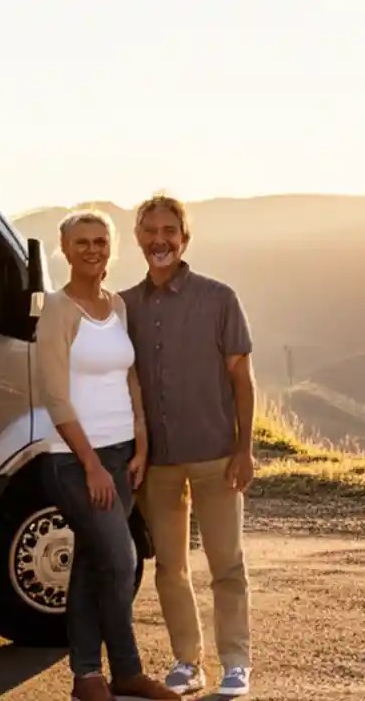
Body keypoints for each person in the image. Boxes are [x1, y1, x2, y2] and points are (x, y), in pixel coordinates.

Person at [34, 210, 179, 701]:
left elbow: (130, 378)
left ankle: (90, 676)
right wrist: (92, 465)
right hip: (75, 461)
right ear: (65, 247)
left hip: (122, 456)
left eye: (100, 241)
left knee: (94, 562)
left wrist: (141, 445)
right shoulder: (57, 310)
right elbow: (55, 397)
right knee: (121, 559)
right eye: (82, 242)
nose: (92, 249)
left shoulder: (116, 306)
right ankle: (125, 670)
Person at [120, 193, 257, 698]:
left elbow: (243, 379)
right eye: (150, 232)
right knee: (170, 568)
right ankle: (186, 662)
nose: (160, 241)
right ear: (138, 239)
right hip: (158, 464)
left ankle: (236, 664)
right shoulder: (124, 306)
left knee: (227, 564)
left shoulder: (219, 298)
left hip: (218, 455)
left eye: (169, 232)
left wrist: (245, 449)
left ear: (184, 238)